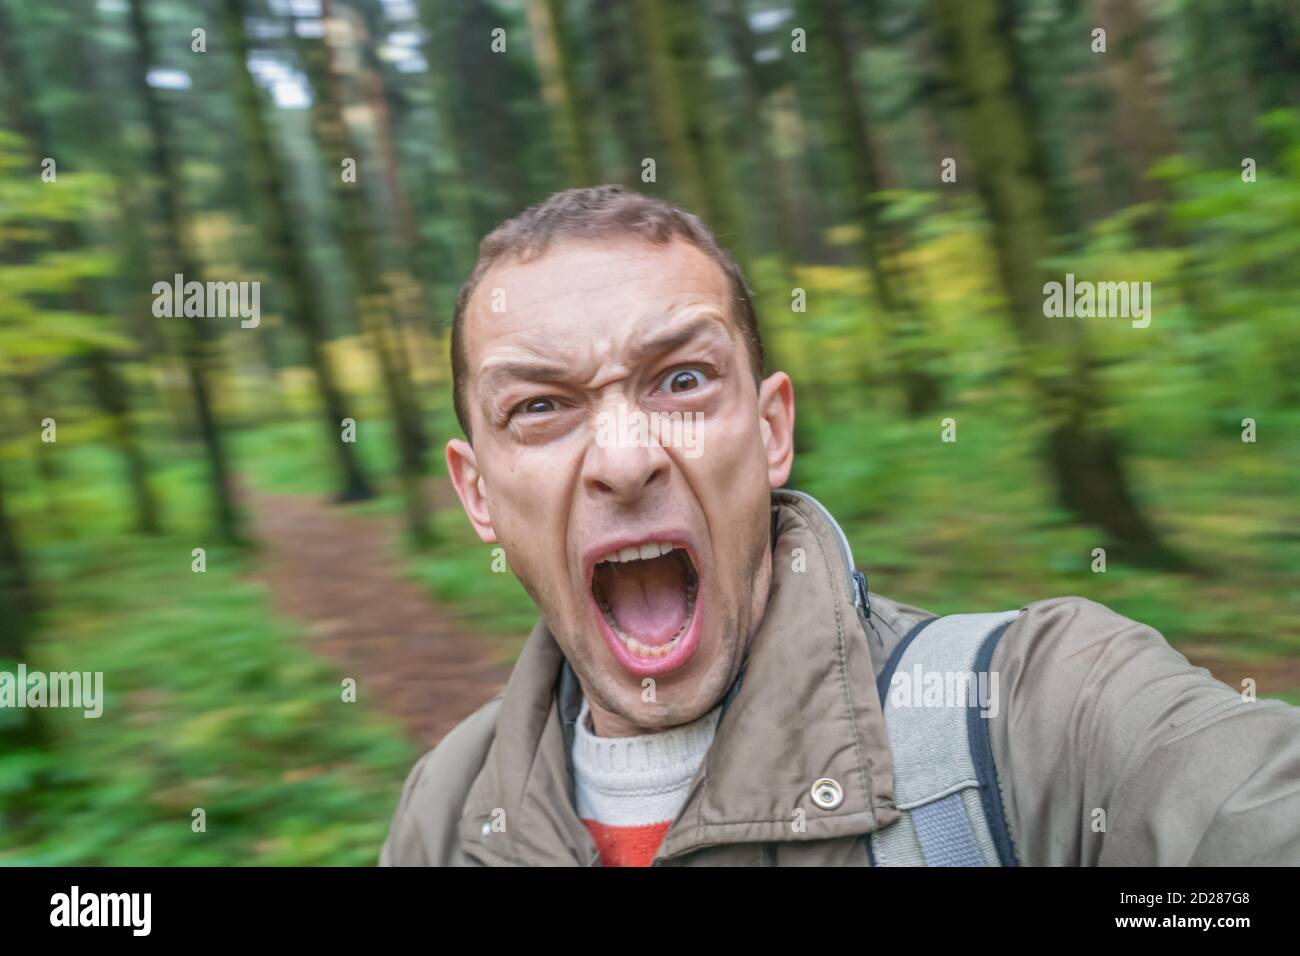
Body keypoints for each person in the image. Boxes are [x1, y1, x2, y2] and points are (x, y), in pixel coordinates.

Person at [380, 185, 1300, 866]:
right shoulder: (447, 809)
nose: (626, 460)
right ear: (478, 494)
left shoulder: (1043, 714)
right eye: (541, 406)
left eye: (683, 380)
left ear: (773, 428)